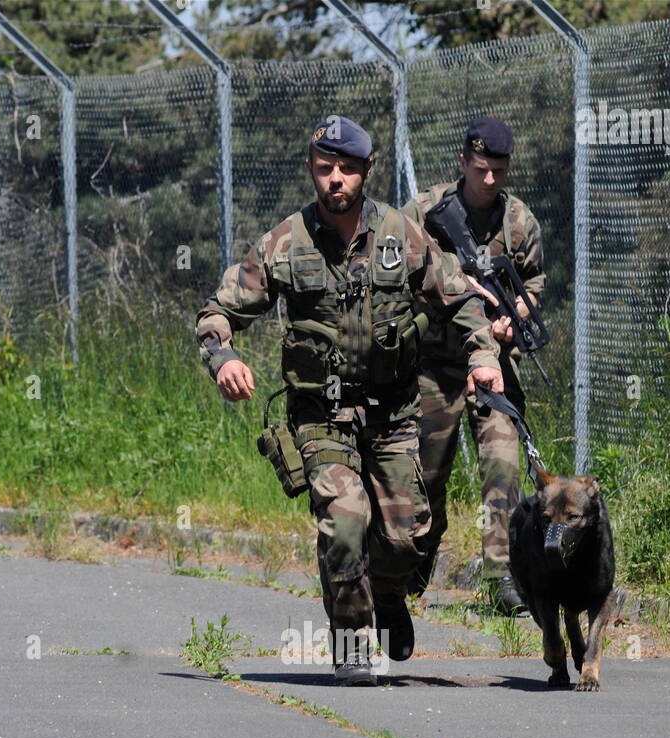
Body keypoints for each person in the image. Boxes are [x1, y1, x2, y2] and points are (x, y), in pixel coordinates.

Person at [195, 114, 503, 685]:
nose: (335, 178)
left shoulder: (400, 236)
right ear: (312, 171)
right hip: (321, 416)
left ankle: (387, 595)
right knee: (344, 523)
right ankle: (353, 638)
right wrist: (225, 357)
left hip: (393, 412)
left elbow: (460, 298)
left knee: (409, 534)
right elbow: (217, 312)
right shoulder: (287, 242)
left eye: (346, 168)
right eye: (324, 168)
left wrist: (482, 356)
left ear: (366, 170)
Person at [401, 116, 546, 614]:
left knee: (503, 466)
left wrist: (511, 318)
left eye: (498, 171)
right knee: (426, 475)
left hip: (494, 368)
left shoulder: (519, 222)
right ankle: (418, 557)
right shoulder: (422, 213)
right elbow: (390, 275)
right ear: (463, 162)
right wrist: (452, 290)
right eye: (480, 169)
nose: (489, 180)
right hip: (433, 367)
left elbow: (535, 286)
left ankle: (503, 578)